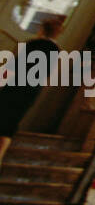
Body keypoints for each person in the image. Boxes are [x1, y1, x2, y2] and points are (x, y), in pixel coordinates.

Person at [0, 14, 66, 169]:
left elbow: (13, 67)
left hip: (15, 86)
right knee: (11, 123)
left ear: (42, 29)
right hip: (31, 90)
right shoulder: (56, 50)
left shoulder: (31, 45)